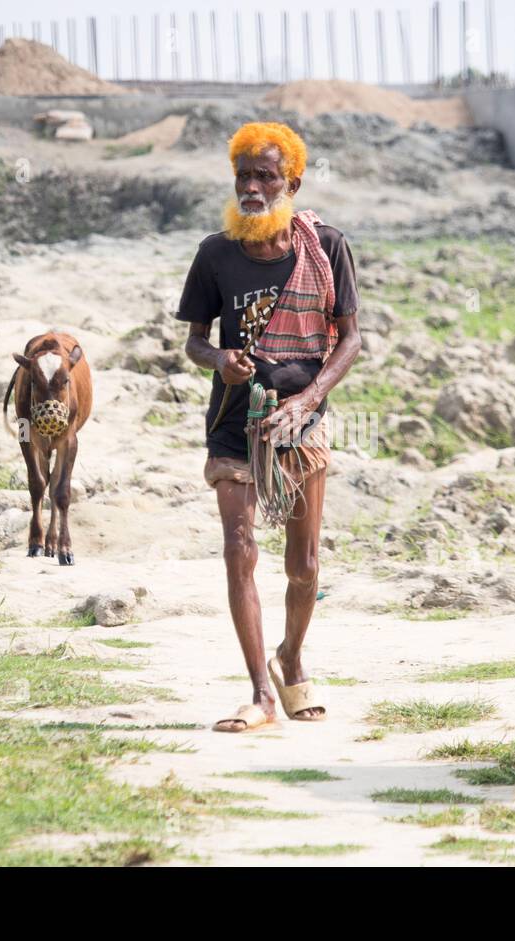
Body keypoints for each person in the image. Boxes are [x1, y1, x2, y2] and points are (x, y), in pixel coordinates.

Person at [176, 122, 362, 733]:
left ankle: (291, 655)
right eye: (244, 176)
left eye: (266, 176)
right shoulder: (215, 254)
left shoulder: (327, 246)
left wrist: (309, 398)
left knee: (304, 565)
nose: (252, 186)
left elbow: (351, 338)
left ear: (293, 183)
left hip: (301, 424)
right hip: (236, 422)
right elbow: (195, 342)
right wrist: (219, 360)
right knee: (239, 550)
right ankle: (260, 693)